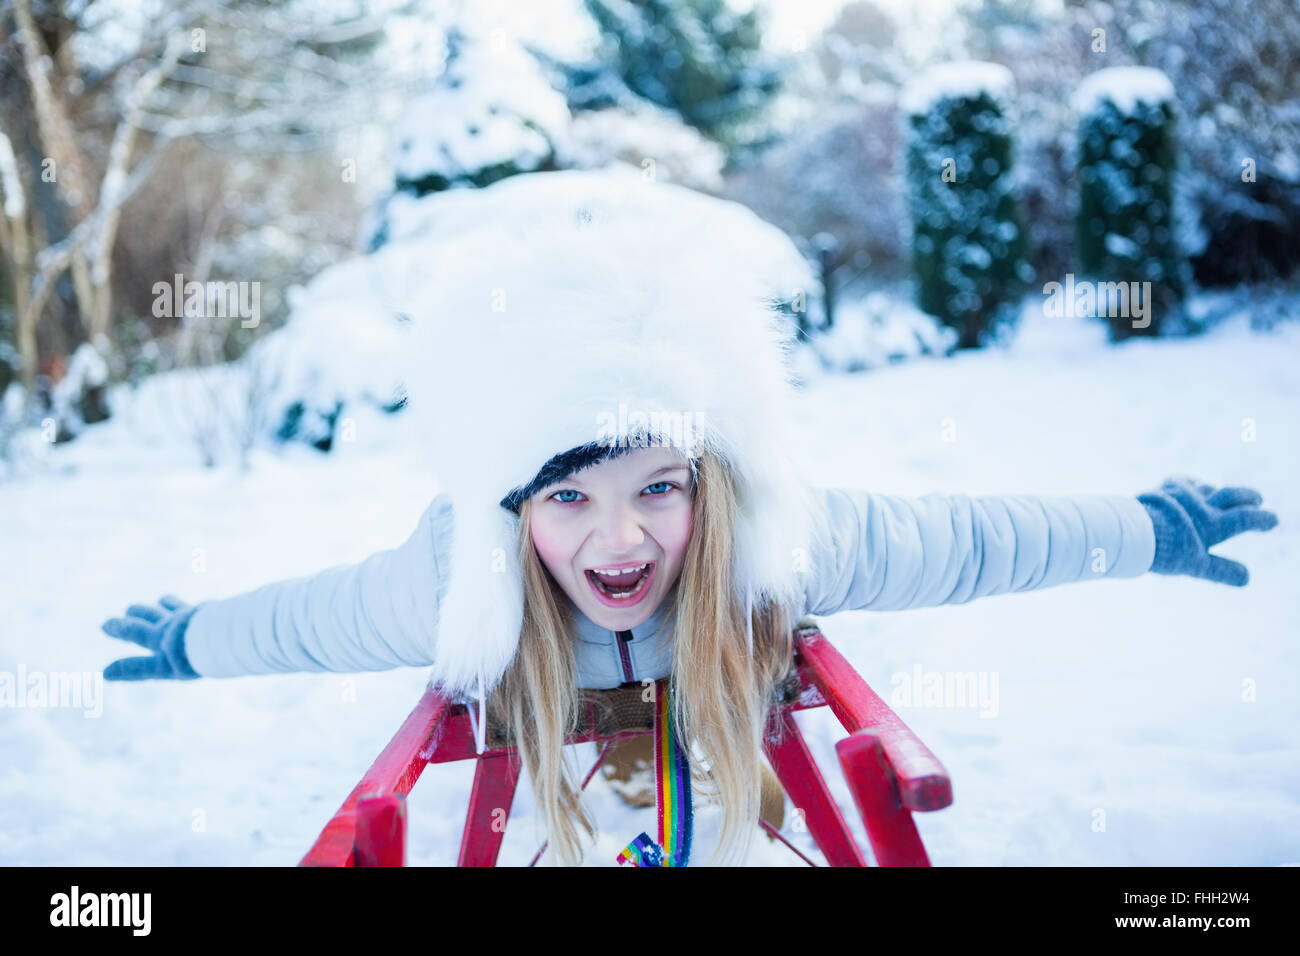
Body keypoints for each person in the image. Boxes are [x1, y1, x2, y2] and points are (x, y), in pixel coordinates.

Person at [101, 198, 1279, 867]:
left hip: (717, 730)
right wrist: (193, 638)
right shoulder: (460, 577)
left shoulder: (771, 539)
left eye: (657, 486)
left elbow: (958, 538)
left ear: (709, 476)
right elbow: (318, 616)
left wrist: (1141, 529)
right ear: (511, 508)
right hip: (563, 749)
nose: (619, 537)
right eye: (567, 497)